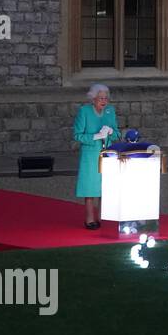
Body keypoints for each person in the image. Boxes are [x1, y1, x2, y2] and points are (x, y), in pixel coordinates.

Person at [73, 83, 119, 230]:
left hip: (107, 153)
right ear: (93, 99)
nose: (103, 101)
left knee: (105, 187)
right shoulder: (84, 111)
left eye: (106, 98)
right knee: (90, 187)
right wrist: (95, 136)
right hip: (90, 154)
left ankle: (103, 217)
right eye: (100, 98)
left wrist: (111, 132)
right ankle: (89, 219)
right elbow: (77, 135)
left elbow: (118, 133)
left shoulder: (110, 111)